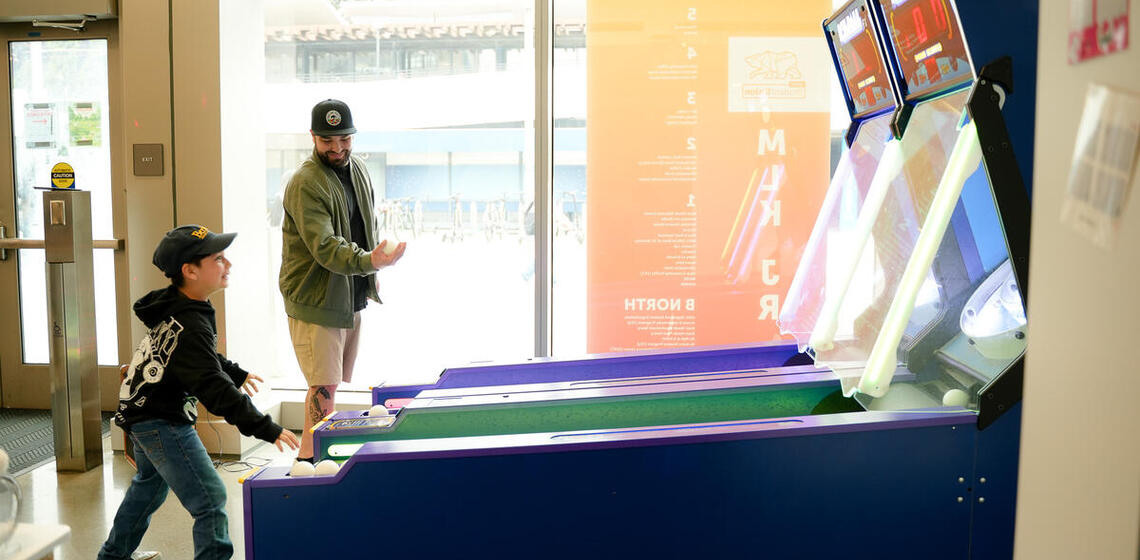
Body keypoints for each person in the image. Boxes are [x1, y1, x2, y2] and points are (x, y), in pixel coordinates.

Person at [98, 225, 300, 560]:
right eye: (218, 259)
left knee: (148, 489)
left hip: (140, 410)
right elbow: (212, 385)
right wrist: (266, 427)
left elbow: (199, 358)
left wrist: (234, 371)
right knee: (210, 499)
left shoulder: (179, 307)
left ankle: (112, 556)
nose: (228, 265)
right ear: (189, 271)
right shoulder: (189, 321)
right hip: (160, 420)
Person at [279, 99, 406, 463]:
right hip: (316, 299)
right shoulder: (305, 183)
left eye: (344, 139)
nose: (337, 148)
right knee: (322, 385)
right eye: (326, 141)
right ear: (313, 138)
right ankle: (310, 460)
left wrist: (371, 273)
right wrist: (369, 261)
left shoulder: (359, 169)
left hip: (347, 291)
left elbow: (366, 225)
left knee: (330, 381)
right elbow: (326, 248)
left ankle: (320, 454)